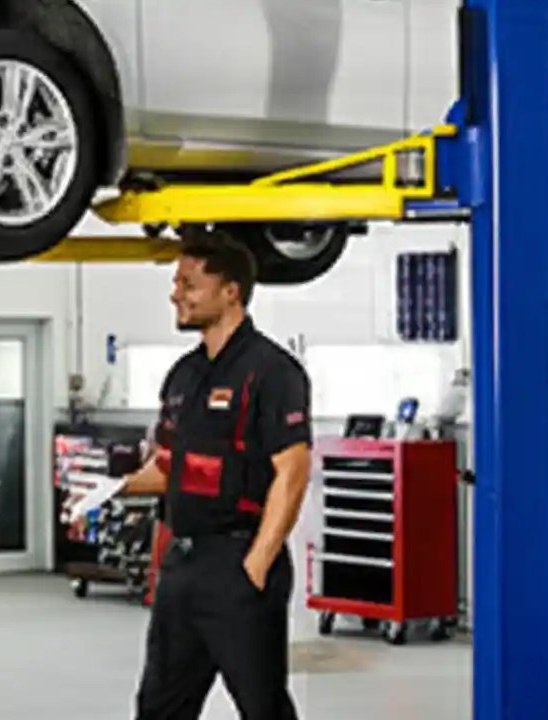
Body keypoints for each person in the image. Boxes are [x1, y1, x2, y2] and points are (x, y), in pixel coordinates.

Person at [123, 226, 313, 720]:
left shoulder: (272, 371)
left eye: (188, 283)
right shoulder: (183, 375)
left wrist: (256, 564)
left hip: (238, 563)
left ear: (230, 291)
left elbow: (291, 473)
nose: (175, 294)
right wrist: (107, 490)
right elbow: (167, 468)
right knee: (159, 708)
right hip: (182, 565)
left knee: (262, 708)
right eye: (176, 283)